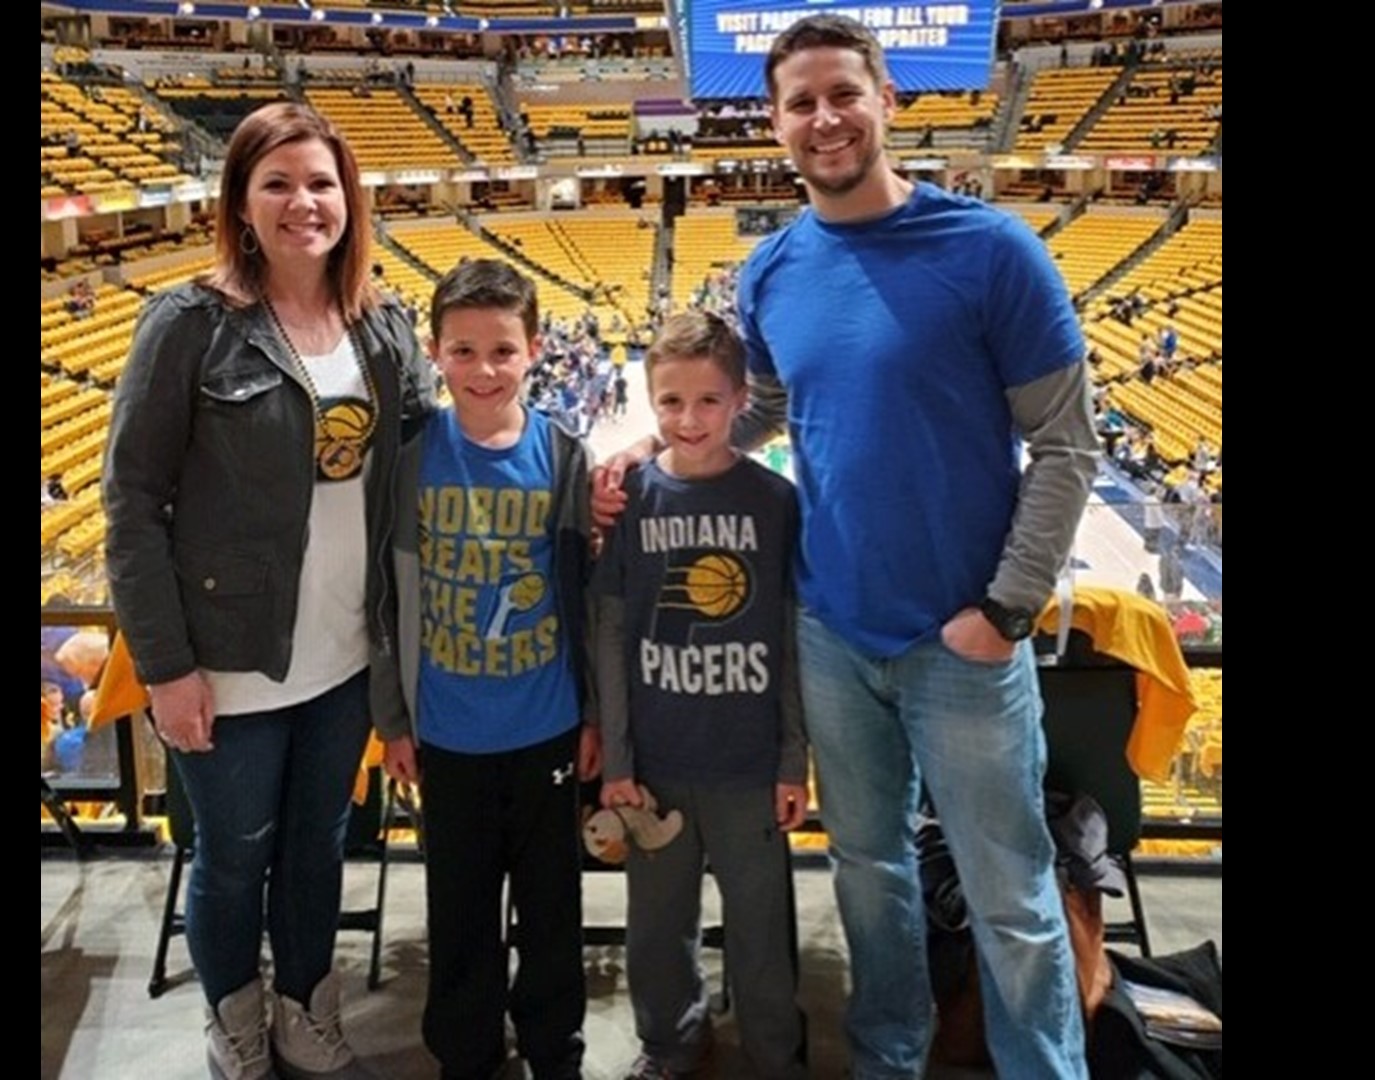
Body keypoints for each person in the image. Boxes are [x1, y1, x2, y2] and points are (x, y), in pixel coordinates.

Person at [593, 15, 1096, 1079]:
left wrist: (1005, 608)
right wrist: (659, 440)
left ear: (887, 102)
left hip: (965, 639)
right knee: (869, 873)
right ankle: (888, 1060)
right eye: (800, 103)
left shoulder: (993, 251)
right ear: (775, 123)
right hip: (830, 629)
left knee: (1009, 894)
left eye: (842, 94)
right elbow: (773, 405)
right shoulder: (773, 270)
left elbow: (1064, 444)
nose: (823, 119)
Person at [104, 101, 435, 1080]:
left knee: (317, 850)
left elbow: (433, 452)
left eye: (322, 182)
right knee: (232, 859)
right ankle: (236, 1023)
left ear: (350, 199)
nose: (304, 202)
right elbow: (130, 504)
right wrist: (166, 667)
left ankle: (305, 1010)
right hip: (228, 659)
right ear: (241, 204)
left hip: (343, 655)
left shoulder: (381, 326)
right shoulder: (188, 326)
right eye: (278, 183)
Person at [376, 259, 600, 1080]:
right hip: (447, 732)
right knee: (459, 912)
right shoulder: (409, 460)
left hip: (545, 727)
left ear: (535, 349)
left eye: (502, 350)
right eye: (463, 351)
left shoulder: (564, 454)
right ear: (435, 352)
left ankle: (554, 1049)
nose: (483, 370)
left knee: (552, 912)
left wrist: (595, 716)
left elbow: (586, 598)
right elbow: (384, 601)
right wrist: (393, 719)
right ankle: (465, 1053)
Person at [593, 311, 810, 1080]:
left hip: (750, 765)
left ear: (741, 400)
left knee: (761, 926)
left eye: (709, 402)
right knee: (656, 928)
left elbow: (789, 643)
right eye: (671, 403)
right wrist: (616, 760)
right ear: (650, 402)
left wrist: (793, 759)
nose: (689, 420)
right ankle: (670, 1043)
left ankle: (774, 1052)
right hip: (656, 764)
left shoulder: (775, 502)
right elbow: (611, 638)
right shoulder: (630, 503)